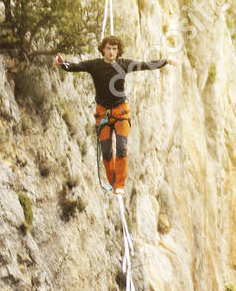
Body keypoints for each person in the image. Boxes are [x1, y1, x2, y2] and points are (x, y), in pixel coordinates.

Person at [54, 36, 169, 195]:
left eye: (114, 49)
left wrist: (165, 61)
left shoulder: (124, 64)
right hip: (103, 114)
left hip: (121, 111)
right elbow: (75, 66)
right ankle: (113, 182)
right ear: (103, 49)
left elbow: (145, 65)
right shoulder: (94, 65)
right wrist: (62, 63)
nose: (111, 52)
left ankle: (120, 184)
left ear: (118, 51)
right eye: (108, 48)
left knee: (122, 148)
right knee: (107, 152)